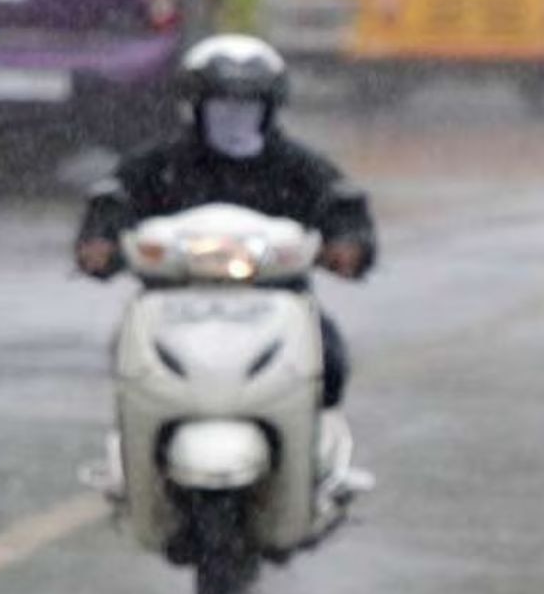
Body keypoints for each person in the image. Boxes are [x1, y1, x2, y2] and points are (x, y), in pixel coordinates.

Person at [74, 34, 377, 490]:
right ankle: (136, 469)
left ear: (270, 109)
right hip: (174, 304)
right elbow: (113, 201)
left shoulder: (297, 167)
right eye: (221, 104)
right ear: (195, 107)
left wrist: (349, 245)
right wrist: (99, 242)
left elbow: (342, 206)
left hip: (278, 303)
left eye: (248, 105)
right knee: (127, 360)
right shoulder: (160, 165)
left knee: (329, 360)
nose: (235, 117)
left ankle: (315, 467)